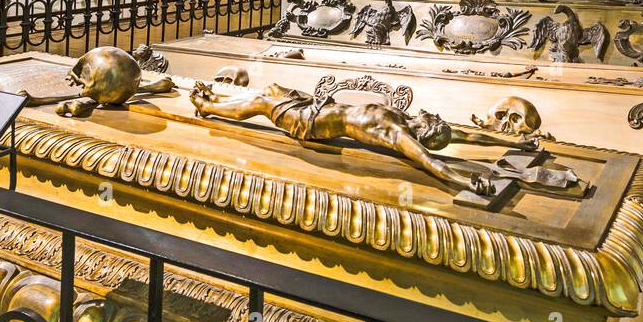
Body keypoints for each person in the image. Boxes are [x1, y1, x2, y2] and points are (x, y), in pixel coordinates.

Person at [188, 80, 494, 195]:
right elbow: (464, 134)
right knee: (269, 90)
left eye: (435, 120)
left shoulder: (398, 134)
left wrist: (467, 183)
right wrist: (511, 142)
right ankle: (216, 98)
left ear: (427, 131)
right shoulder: (404, 117)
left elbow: (430, 162)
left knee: (260, 103)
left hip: (312, 123)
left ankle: (208, 106)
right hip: (319, 106)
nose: (434, 114)